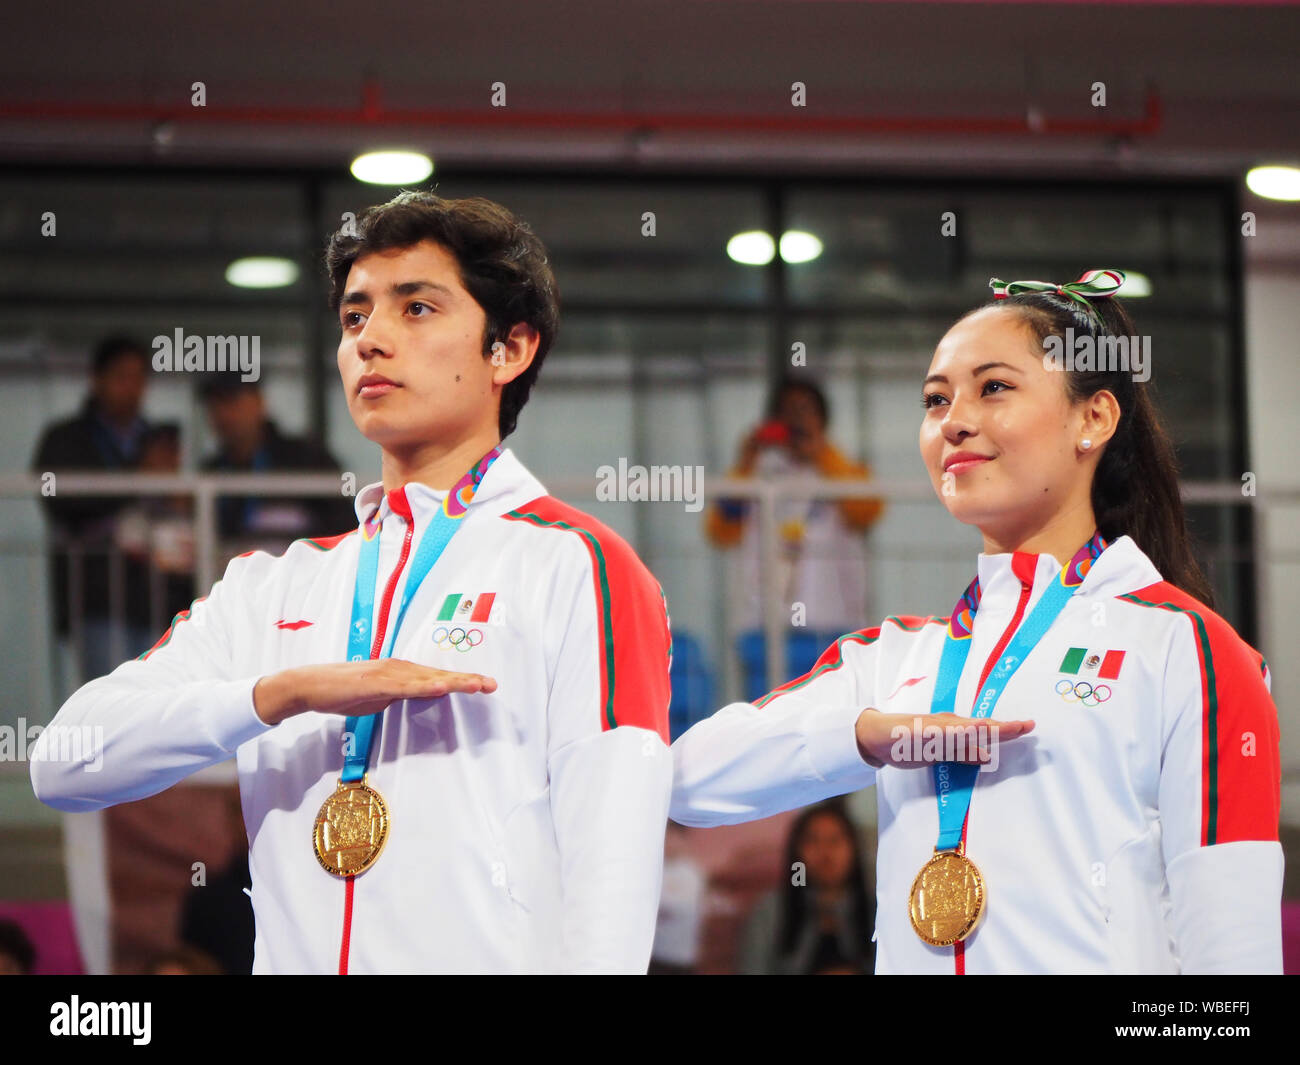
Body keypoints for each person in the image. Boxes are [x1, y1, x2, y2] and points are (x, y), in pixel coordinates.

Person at [31, 191, 675, 974]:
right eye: (355, 316)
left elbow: (612, 870)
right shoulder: (271, 586)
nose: (371, 339)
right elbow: (63, 761)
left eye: (417, 308)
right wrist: (278, 694)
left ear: (509, 349)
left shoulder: (581, 565)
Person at [671, 270, 1282, 974]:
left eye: (994, 387)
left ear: (1095, 419)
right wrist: (866, 737)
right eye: (936, 399)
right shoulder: (893, 658)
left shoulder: (1189, 650)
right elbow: (686, 779)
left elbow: (1232, 975)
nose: (953, 419)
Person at [706, 376, 884, 699]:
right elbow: (720, 529)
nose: (797, 420)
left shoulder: (841, 467)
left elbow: (867, 511)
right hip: (764, 625)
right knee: (767, 721)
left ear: (823, 420)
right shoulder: (758, 470)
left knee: (831, 719)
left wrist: (821, 451)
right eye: (788, 412)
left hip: (833, 626)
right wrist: (746, 458)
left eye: (805, 411)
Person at [31, 335, 157, 677]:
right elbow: (51, 492)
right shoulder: (63, 438)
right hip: (95, 599)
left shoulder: (157, 439)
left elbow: (176, 505)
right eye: (121, 377)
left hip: (156, 596)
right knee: (111, 702)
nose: (131, 388)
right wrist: (133, 487)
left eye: (138, 378)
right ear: (96, 379)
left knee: (159, 703)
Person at [197, 374, 357, 547]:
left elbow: (343, 523)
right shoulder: (211, 471)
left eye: (231, 401)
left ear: (259, 401)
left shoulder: (306, 459)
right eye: (213, 405)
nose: (223, 414)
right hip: (230, 569)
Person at [738, 801, 875, 974]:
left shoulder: (875, 911)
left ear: (854, 849)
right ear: (797, 851)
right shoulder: (771, 911)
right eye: (813, 840)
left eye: (835, 840)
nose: (825, 852)